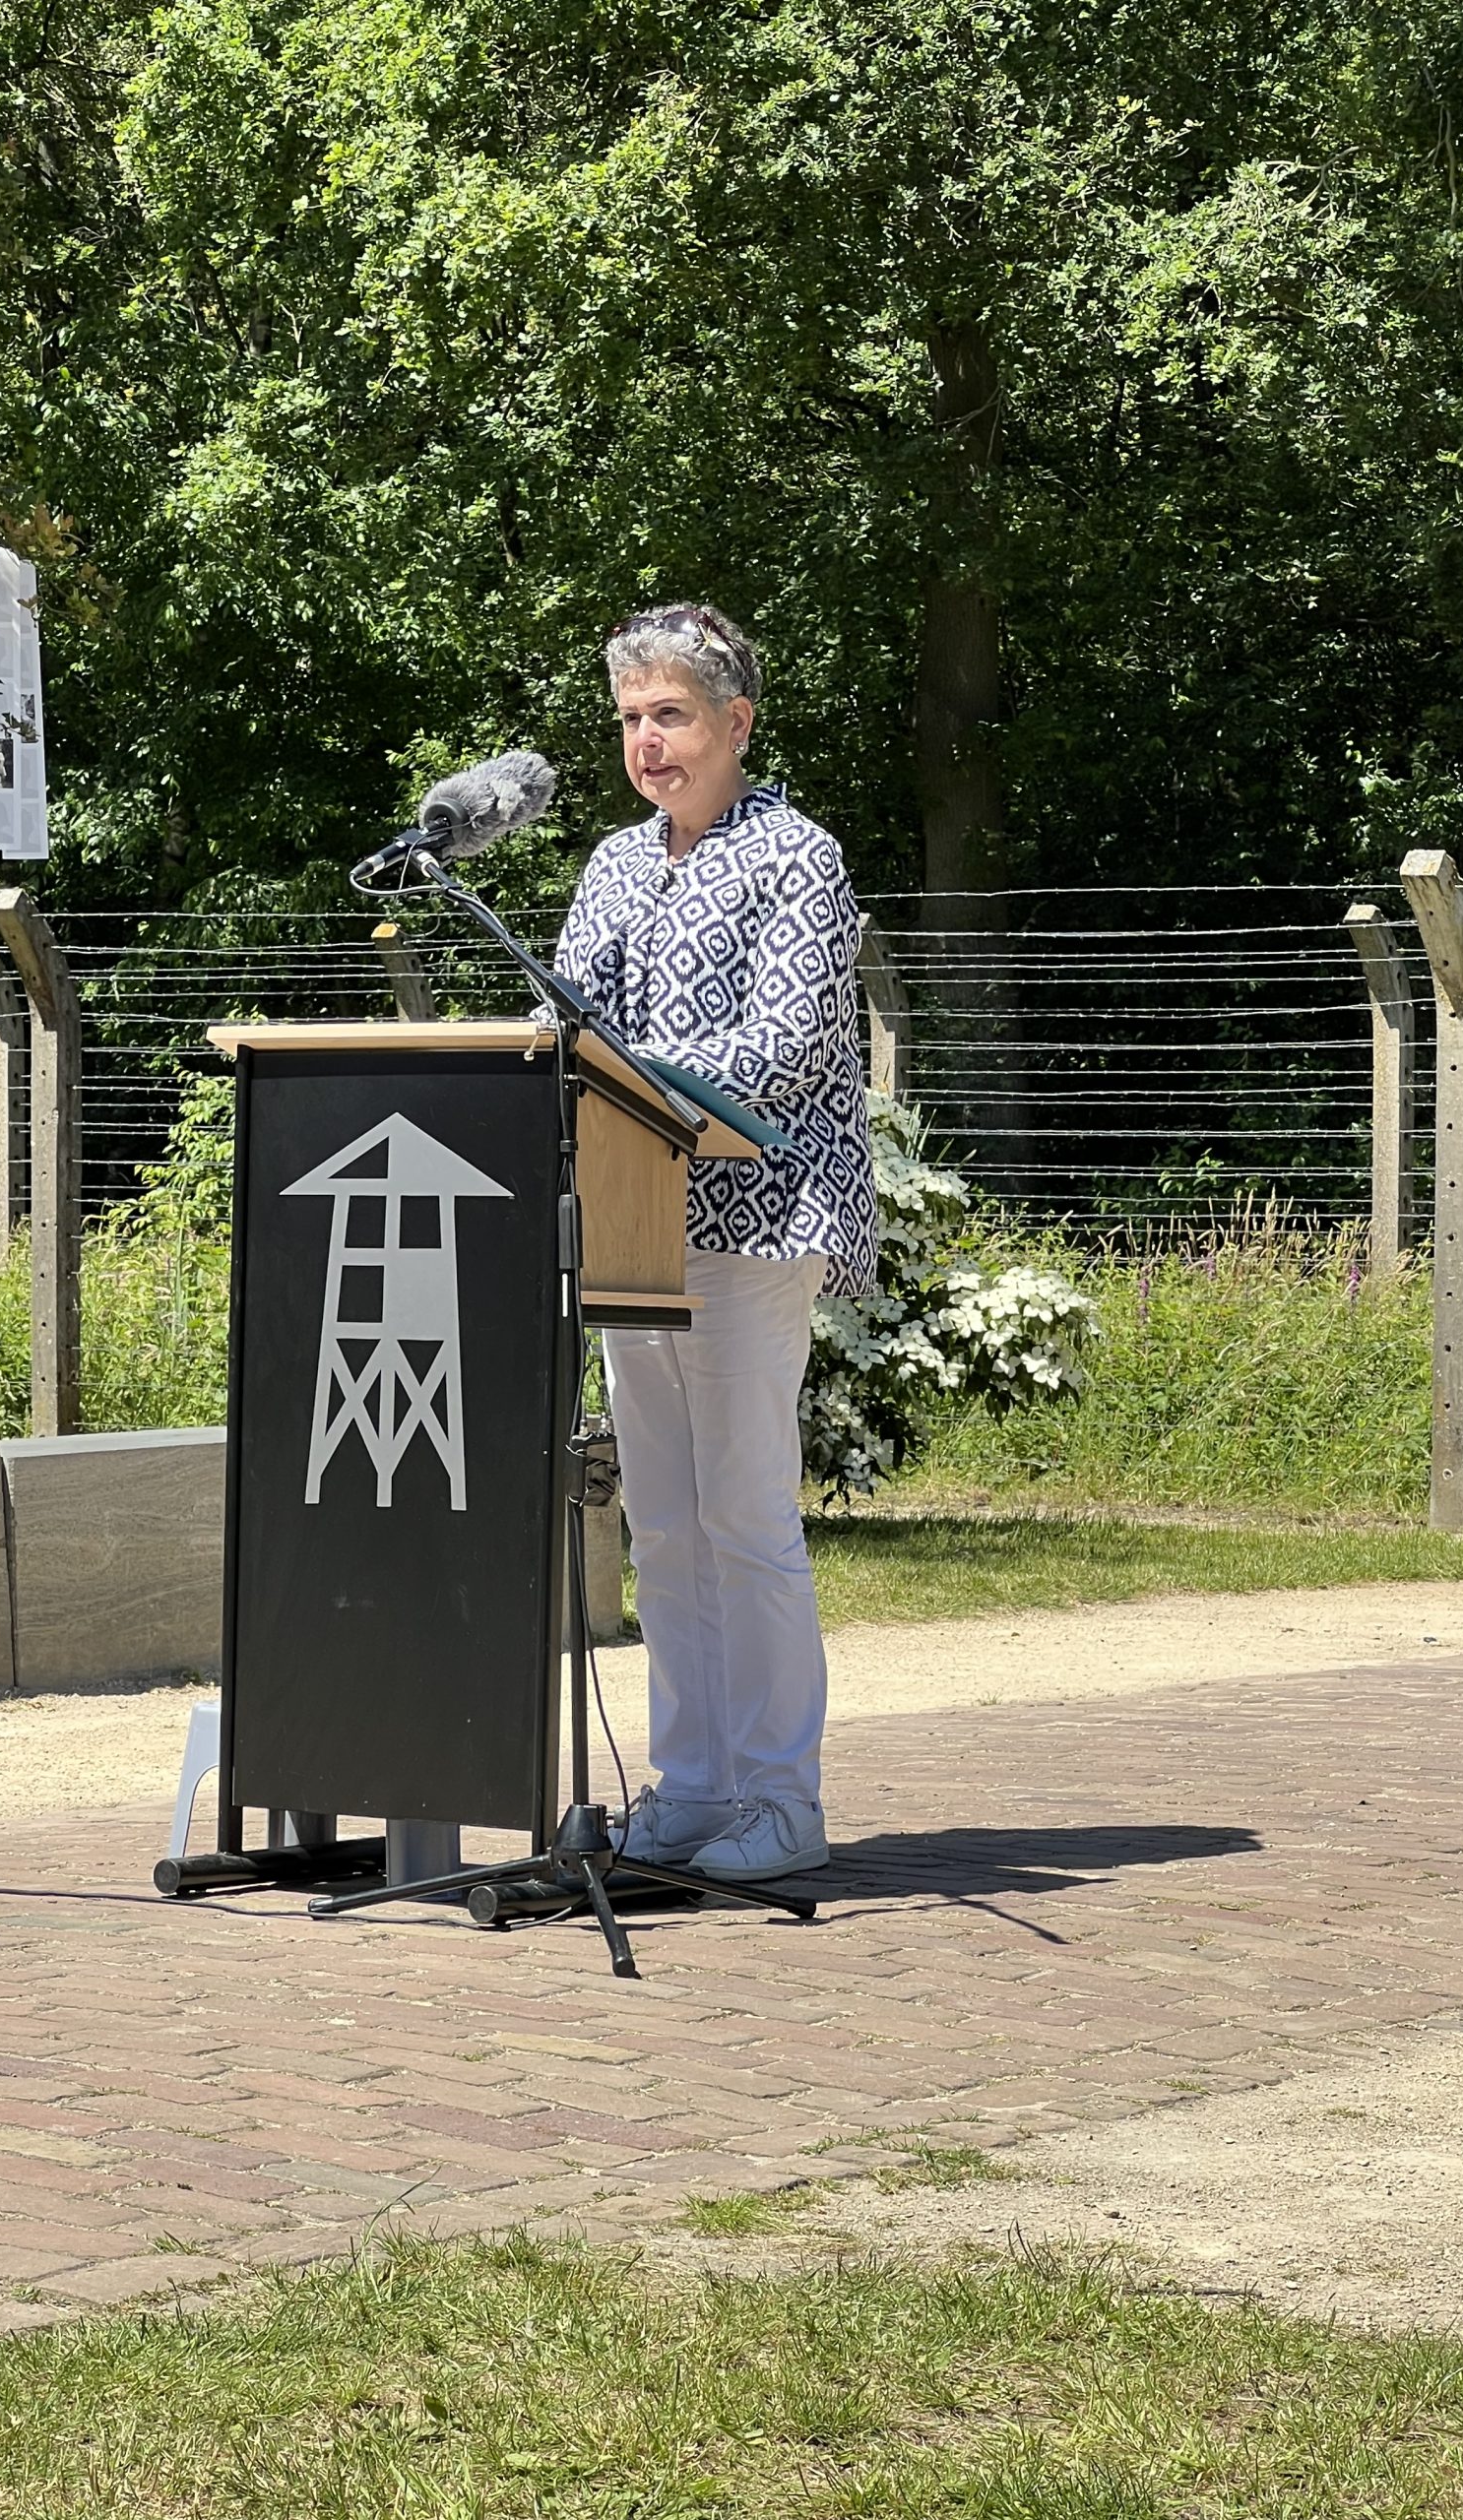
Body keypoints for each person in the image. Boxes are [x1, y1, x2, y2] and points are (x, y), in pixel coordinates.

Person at [554, 601, 877, 1882]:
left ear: (736, 723)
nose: (649, 742)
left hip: (760, 1218)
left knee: (745, 1515)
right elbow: (570, 1021)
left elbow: (787, 1043)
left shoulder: (798, 857)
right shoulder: (612, 865)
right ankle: (692, 1791)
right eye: (632, 719)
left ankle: (782, 1804)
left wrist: (635, 1080)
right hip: (638, 1225)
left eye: (672, 715)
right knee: (666, 1526)